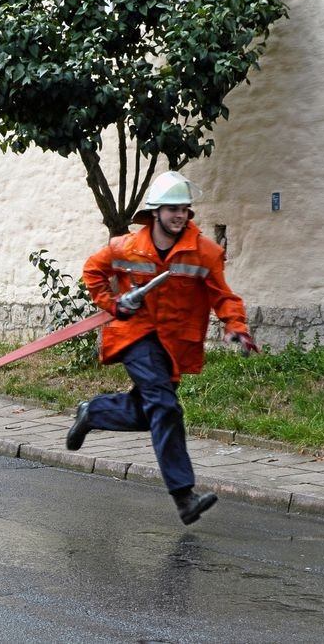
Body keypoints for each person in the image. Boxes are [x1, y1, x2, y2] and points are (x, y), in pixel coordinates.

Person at [65, 171, 259, 525]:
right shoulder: (126, 247)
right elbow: (93, 270)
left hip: (173, 345)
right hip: (135, 336)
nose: (178, 215)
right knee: (166, 409)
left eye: (183, 209)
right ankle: (184, 498)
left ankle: (95, 412)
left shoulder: (205, 253)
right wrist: (113, 302)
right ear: (155, 212)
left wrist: (236, 326)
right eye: (171, 209)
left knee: (154, 411)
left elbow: (223, 296)